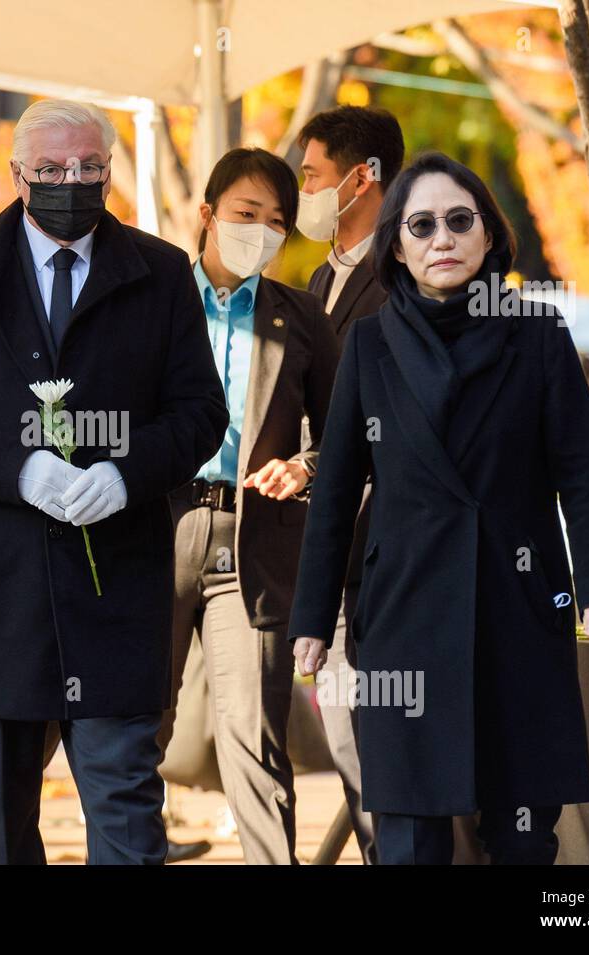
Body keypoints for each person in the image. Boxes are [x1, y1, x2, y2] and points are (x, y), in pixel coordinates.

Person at [0, 99, 227, 865]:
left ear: (109, 171)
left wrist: (126, 473)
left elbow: (201, 412)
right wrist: (20, 468)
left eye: (88, 167)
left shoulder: (162, 272)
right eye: (50, 169)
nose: (70, 182)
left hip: (115, 591)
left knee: (128, 820)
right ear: (16, 174)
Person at [288, 151, 589, 865]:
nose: (442, 238)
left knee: (523, 831)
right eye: (421, 225)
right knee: (408, 834)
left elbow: (582, 473)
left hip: (519, 605)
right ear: (397, 247)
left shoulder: (539, 334)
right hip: (404, 616)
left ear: (489, 235)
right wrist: (313, 618)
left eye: (460, 220)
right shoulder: (369, 344)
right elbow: (337, 489)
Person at [155, 147, 338, 864]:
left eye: (276, 221)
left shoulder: (302, 316)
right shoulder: (152, 299)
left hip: (253, 537)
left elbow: (343, 434)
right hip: (158, 528)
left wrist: (304, 467)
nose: (260, 230)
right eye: (245, 213)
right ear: (208, 214)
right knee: (139, 724)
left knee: (255, 737)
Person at [295, 105, 400, 864]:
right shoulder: (317, 278)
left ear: (362, 179)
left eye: (311, 177)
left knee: (374, 736)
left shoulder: (402, 276)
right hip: (319, 544)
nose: (302, 193)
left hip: (381, 547)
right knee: (344, 733)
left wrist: (314, 462)